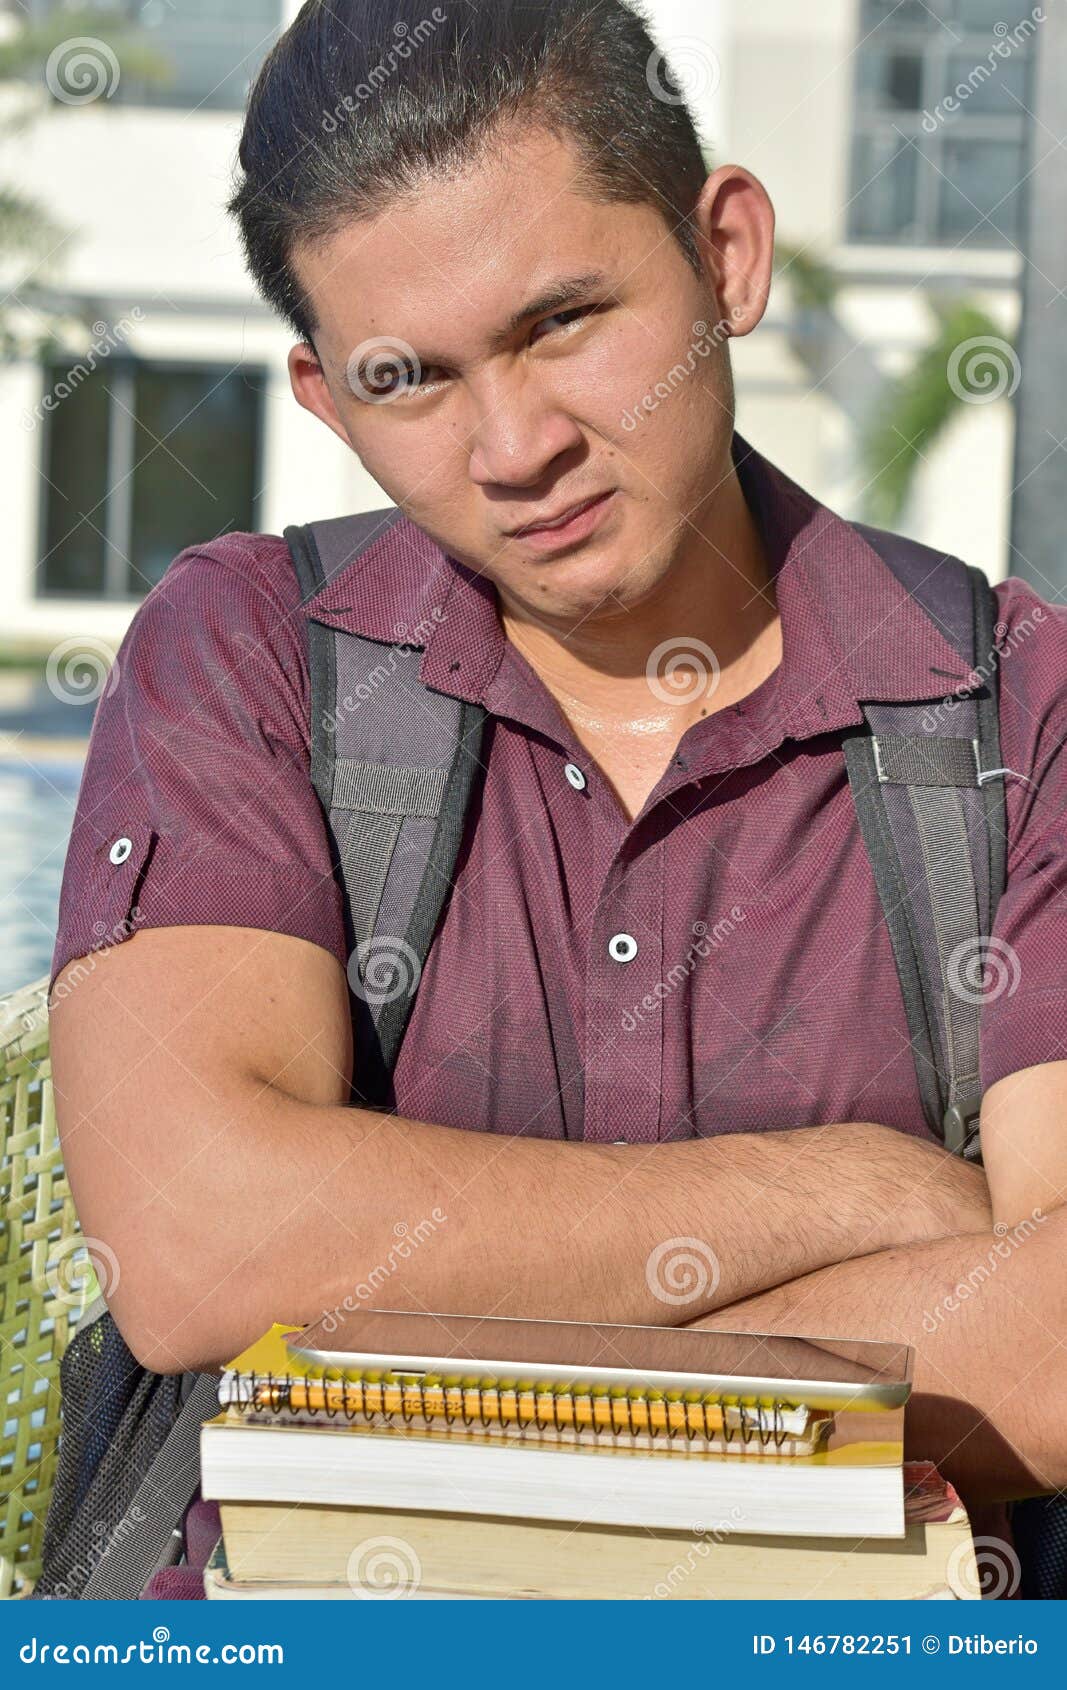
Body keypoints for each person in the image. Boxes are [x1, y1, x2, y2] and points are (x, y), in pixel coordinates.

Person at [48, 0, 1066, 1519]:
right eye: (410, 379)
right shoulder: (248, 652)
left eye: (563, 322)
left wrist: (443, 1386)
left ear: (726, 255)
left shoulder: (1019, 710)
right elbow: (199, 1243)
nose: (515, 446)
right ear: (324, 398)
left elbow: (1052, 1347)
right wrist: (853, 1191)